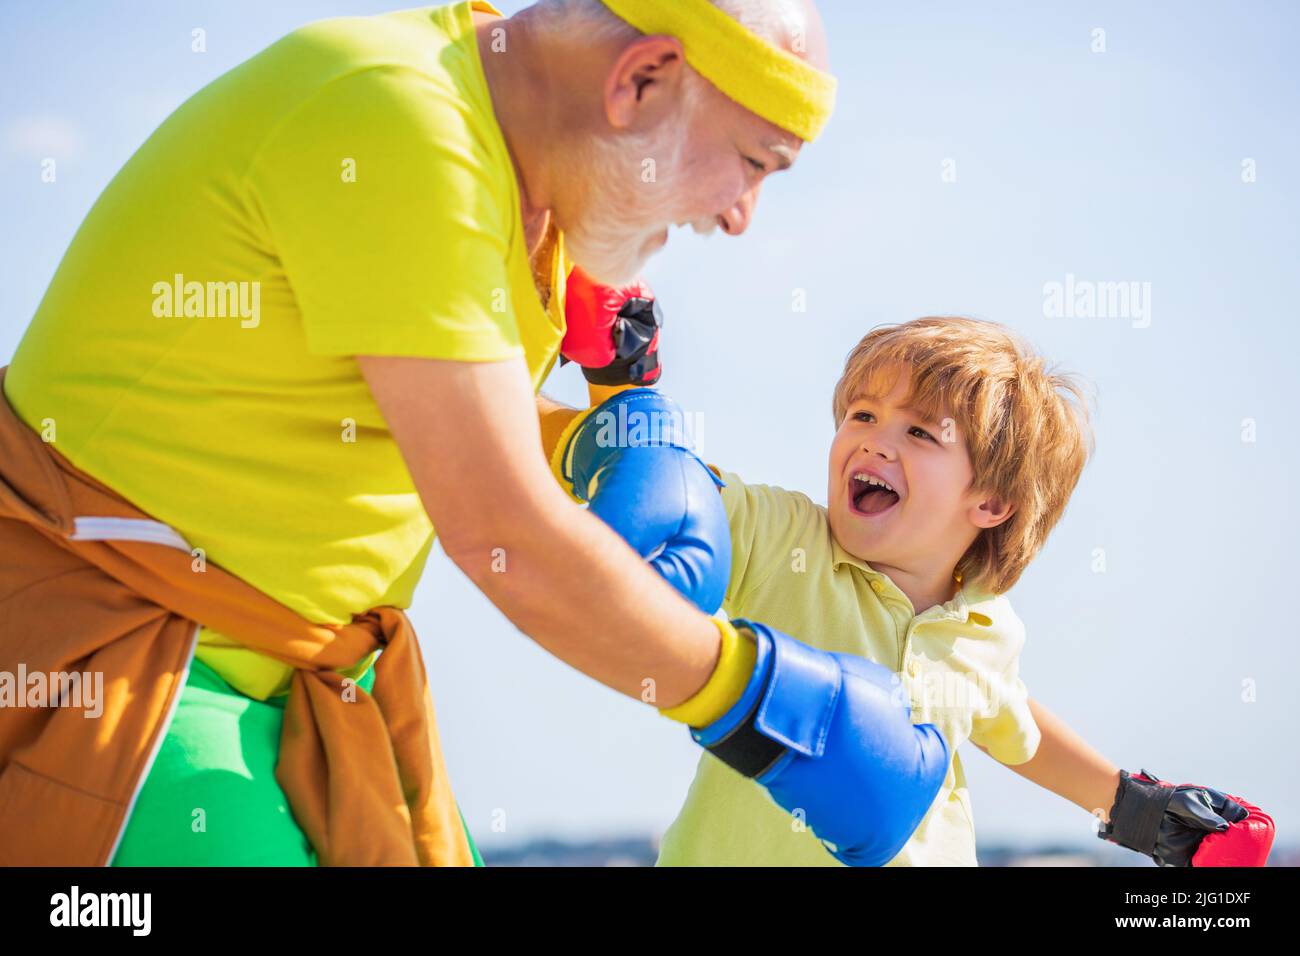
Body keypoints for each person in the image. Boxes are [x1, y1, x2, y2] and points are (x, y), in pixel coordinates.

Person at [0, 0, 946, 868]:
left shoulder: (520, 163)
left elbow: (429, 402)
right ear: (641, 82)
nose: (742, 217)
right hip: (124, 664)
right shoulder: (398, 125)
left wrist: (594, 442)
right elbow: (506, 534)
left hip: (296, 685)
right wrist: (773, 711)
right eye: (753, 163)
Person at [558, 316, 1273, 866]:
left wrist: (1145, 813)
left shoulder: (986, 631)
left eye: (920, 433)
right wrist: (624, 387)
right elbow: (677, 486)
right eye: (861, 416)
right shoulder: (787, 541)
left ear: (991, 501)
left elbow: (1017, 731)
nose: (872, 442)